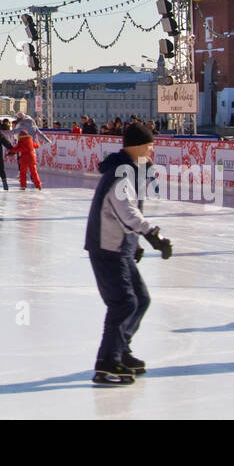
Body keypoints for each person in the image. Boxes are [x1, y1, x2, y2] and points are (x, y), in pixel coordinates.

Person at [84, 122, 172, 385]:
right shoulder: (122, 174)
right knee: (123, 303)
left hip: (119, 245)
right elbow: (127, 211)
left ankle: (120, 350)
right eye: (150, 146)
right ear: (138, 147)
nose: (153, 151)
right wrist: (152, 234)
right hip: (107, 247)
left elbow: (127, 211)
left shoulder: (129, 171)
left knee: (140, 299)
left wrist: (135, 243)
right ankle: (107, 362)